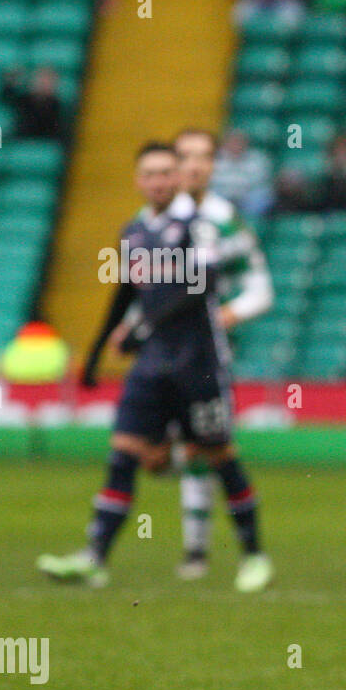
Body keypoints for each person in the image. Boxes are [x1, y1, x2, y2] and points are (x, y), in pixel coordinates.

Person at [37, 143, 274, 592]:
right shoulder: (133, 232)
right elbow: (125, 292)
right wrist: (93, 354)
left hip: (198, 362)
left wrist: (143, 326)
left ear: (178, 178)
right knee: (123, 451)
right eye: (151, 173)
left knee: (218, 454)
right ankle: (95, 557)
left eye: (167, 173)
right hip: (152, 364)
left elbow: (199, 286)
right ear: (139, 180)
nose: (159, 181)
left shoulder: (198, 226)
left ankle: (254, 556)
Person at [165, 128, 275, 581]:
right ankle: (195, 552)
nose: (195, 165)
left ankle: (243, 553)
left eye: (204, 157)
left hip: (208, 357)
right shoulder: (155, 221)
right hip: (165, 356)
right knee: (175, 452)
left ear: (213, 165)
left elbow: (262, 290)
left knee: (212, 450)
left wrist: (227, 313)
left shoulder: (227, 221)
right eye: (186, 156)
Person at [0, 67, 67, 141]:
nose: (44, 84)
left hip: (48, 144)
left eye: (48, 81)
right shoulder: (23, 100)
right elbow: (5, 97)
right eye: (41, 80)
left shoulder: (59, 107)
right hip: (22, 142)